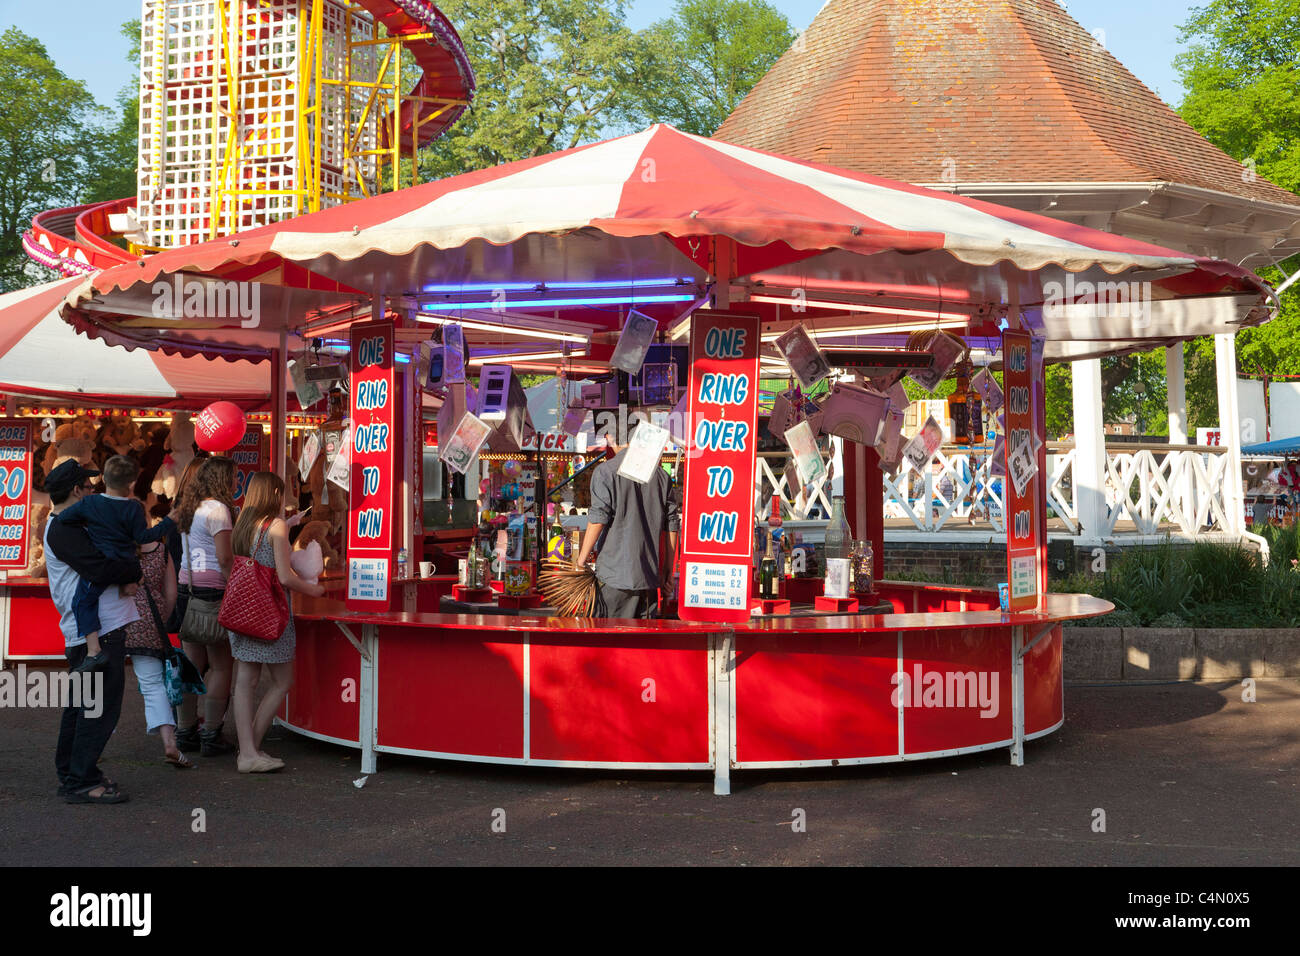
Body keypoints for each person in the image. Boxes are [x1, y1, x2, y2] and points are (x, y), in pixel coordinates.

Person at [44, 459, 142, 804]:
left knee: (83, 707)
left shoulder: (65, 525)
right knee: (97, 710)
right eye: (88, 487)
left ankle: (74, 774)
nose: (93, 491)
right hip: (96, 632)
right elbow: (100, 567)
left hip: (93, 629)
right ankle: (81, 780)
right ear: (76, 490)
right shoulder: (64, 528)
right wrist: (133, 567)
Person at [227, 472, 325, 773]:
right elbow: (284, 577)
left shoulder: (243, 524)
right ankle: (249, 751)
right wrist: (314, 589)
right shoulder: (277, 526)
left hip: (242, 611)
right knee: (282, 682)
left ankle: (248, 751)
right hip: (269, 613)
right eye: (282, 492)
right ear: (273, 492)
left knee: (244, 683)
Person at [53, 455, 176, 674]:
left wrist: (89, 522)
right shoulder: (135, 508)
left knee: (82, 601)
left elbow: (63, 518)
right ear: (131, 483)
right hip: (127, 563)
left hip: (105, 565)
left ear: (105, 480)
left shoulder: (91, 503)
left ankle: (93, 650)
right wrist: (168, 522)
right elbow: (143, 537)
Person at [575, 423, 680, 619]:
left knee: (610, 644)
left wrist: (581, 561)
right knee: (642, 645)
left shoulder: (605, 472)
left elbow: (598, 519)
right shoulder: (661, 477)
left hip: (614, 577)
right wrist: (668, 572)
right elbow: (672, 526)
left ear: (610, 438)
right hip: (648, 578)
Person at [174, 457, 238, 756]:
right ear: (222, 481)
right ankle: (212, 733)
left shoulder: (191, 508)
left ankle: (185, 730)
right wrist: (237, 587)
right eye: (234, 478)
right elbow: (225, 558)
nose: (237, 483)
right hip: (214, 591)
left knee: (191, 665)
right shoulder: (218, 510)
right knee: (223, 665)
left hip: (187, 588)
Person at [124, 516, 191, 768]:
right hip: (149, 619)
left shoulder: (116, 545)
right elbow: (171, 592)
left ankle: (91, 746)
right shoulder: (160, 549)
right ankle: (170, 744)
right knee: (153, 685)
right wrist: (161, 617)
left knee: (105, 683)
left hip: (117, 616)